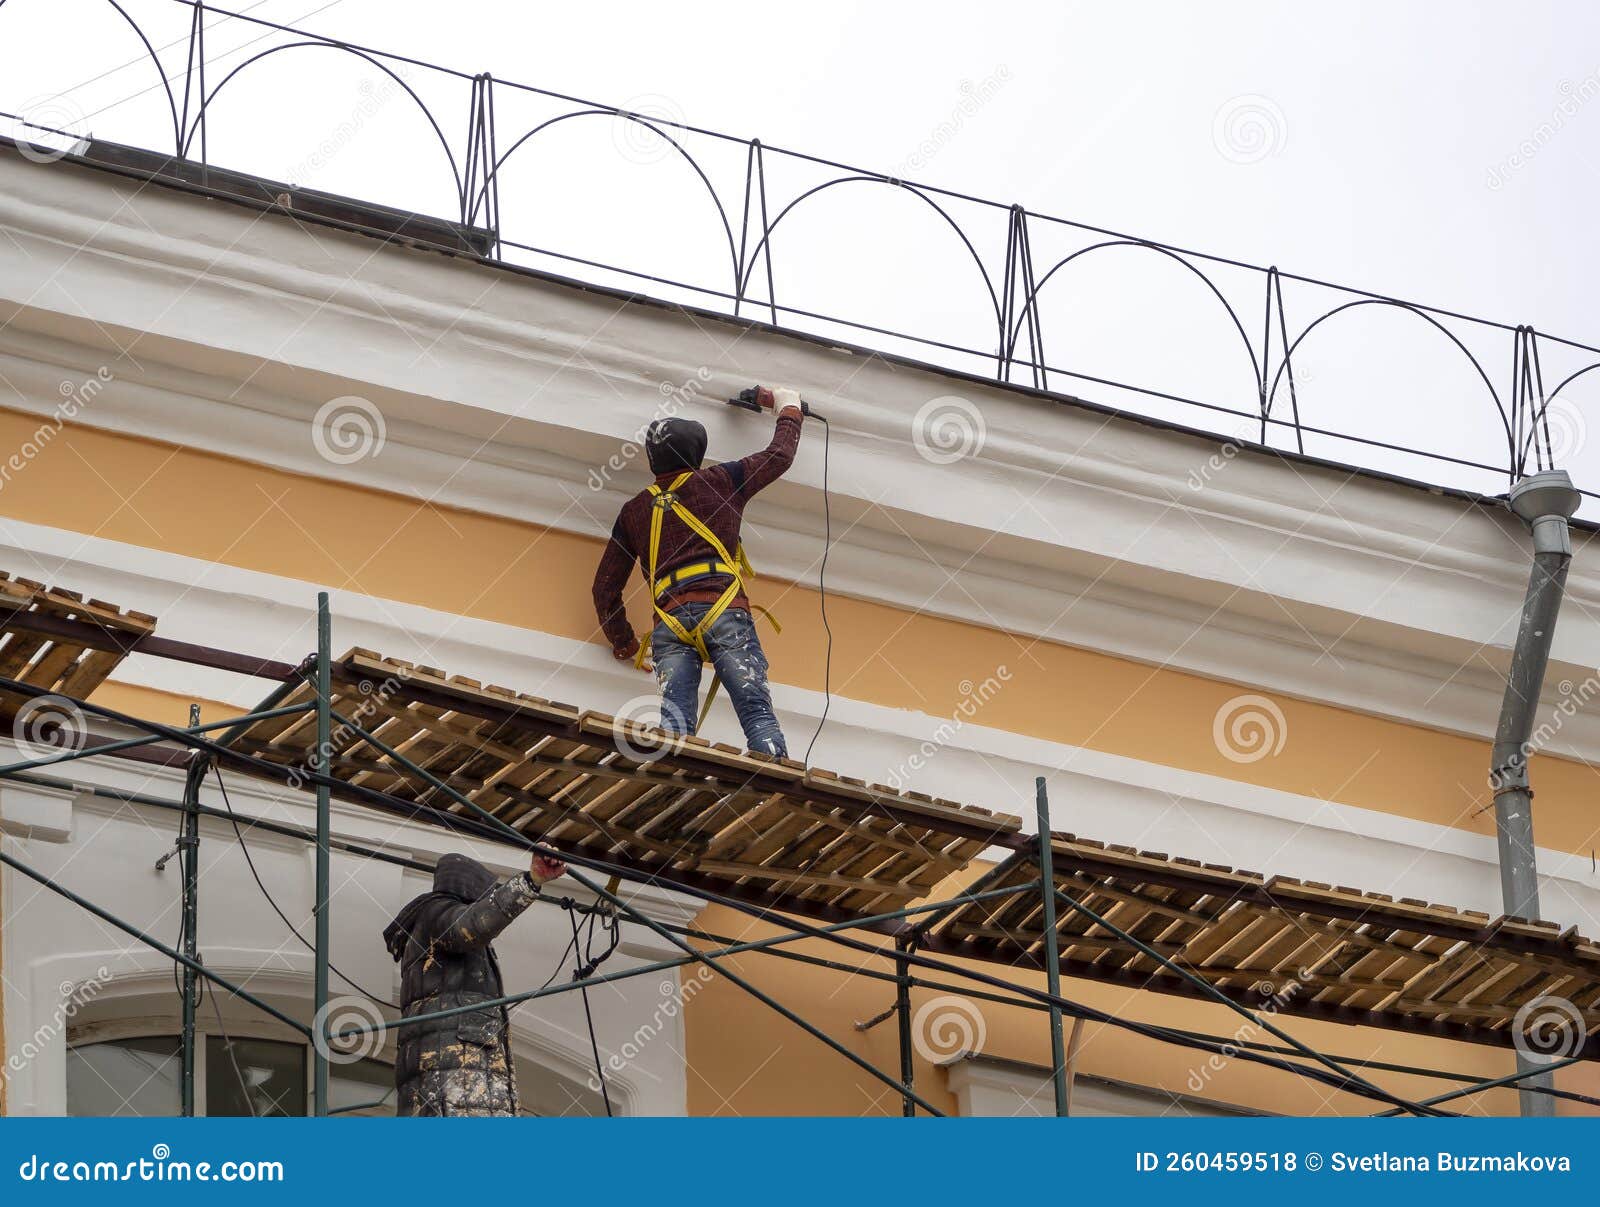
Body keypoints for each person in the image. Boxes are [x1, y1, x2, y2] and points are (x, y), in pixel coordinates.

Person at [591, 385, 806, 757]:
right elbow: (780, 455)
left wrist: (624, 643)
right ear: (697, 454)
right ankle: (772, 767)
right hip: (724, 612)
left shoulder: (634, 511)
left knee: (674, 726)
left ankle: (671, 776)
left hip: (670, 624)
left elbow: (605, 588)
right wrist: (789, 406)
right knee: (755, 709)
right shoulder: (722, 481)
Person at [382, 850, 567, 1117]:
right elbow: (470, 927)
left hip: (452, 1081)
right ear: (466, 886)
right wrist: (530, 881)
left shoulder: (429, 927)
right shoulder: (437, 911)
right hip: (456, 1083)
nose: (485, 899)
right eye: (484, 892)